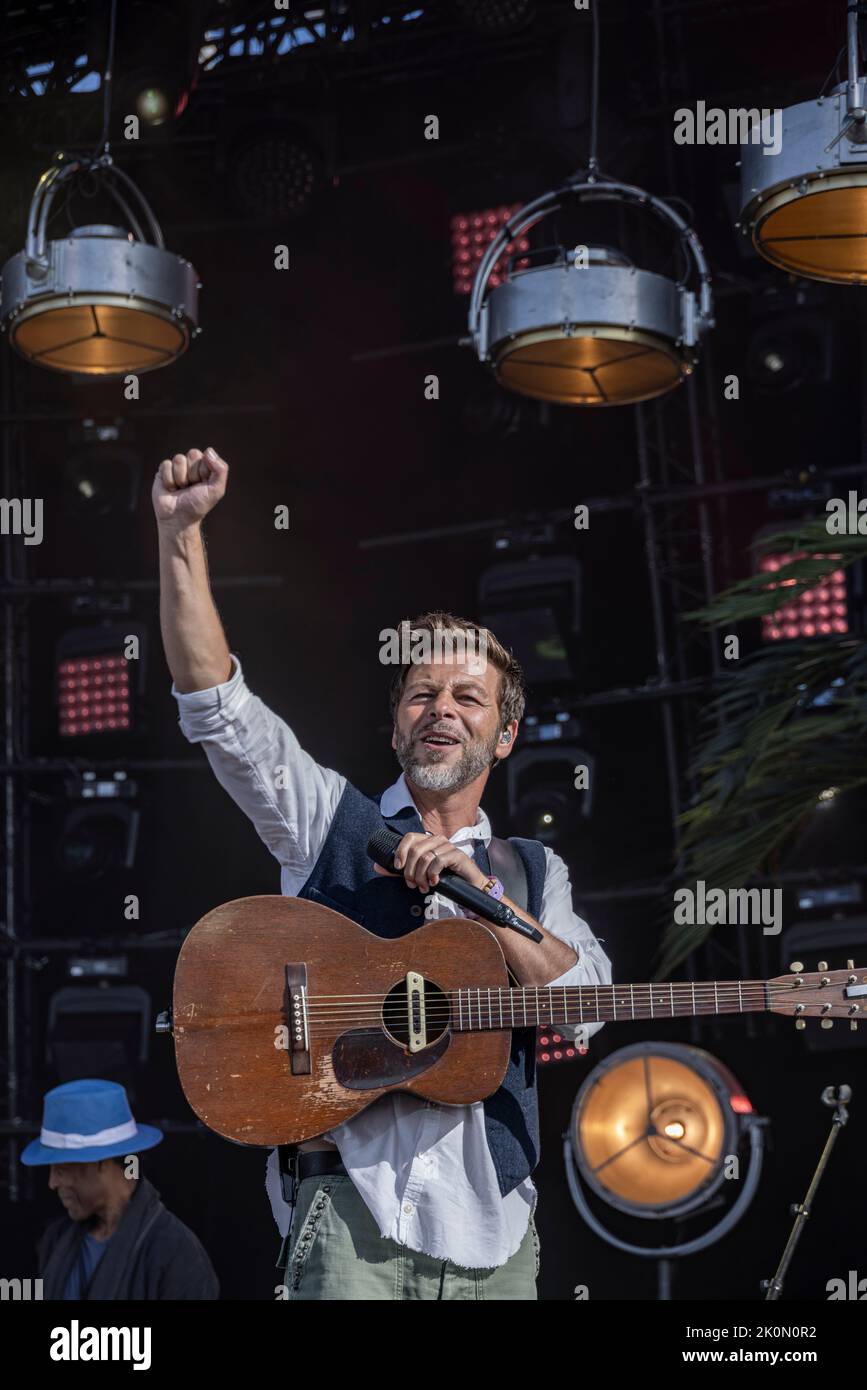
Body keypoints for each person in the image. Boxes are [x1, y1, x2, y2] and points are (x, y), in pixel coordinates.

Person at [154, 446, 613, 1300]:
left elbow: (583, 1005)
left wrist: (481, 903)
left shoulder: (532, 873)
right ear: (395, 725)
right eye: (420, 694)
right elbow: (217, 706)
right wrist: (180, 536)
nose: (441, 708)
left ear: (504, 737)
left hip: (495, 1235)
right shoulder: (328, 819)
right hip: (349, 1218)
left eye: (467, 698)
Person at [22, 1078, 219, 1300]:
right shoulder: (56, 1239)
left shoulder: (176, 1253)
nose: (52, 1183)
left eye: (62, 1170)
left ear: (103, 1163)